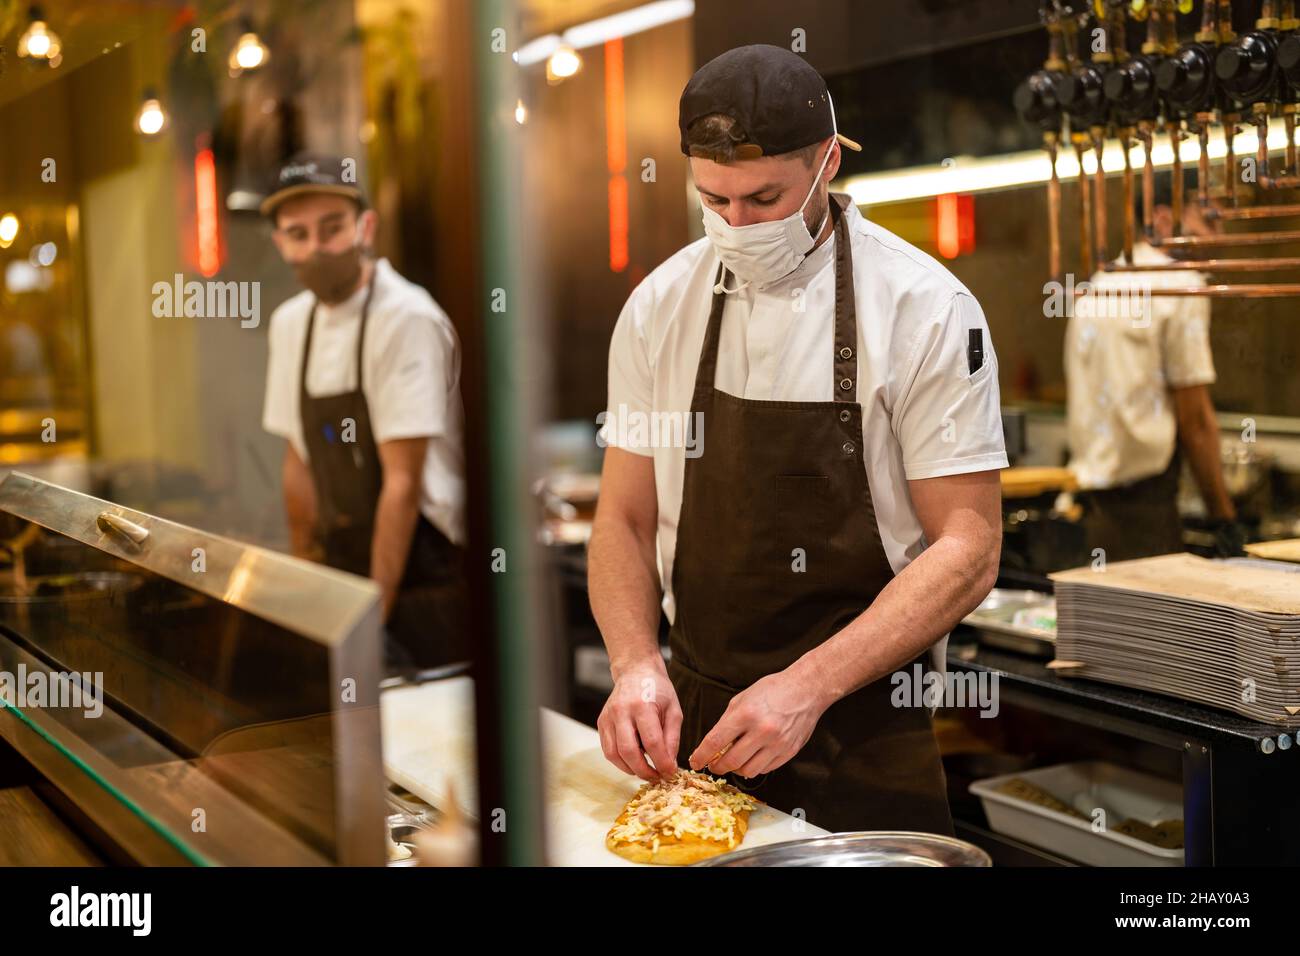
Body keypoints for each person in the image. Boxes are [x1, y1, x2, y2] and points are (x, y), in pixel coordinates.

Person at [588, 46, 1008, 834]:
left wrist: (809, 685)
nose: (738, 225)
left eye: (765, 198)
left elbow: (970, 546)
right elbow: (624, 518)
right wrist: (634, 662)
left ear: (826, 162)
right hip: (698, 725)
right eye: (714, 199)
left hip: (864, 729)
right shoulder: (656, 308)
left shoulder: (926, 309)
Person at [260, 153, 468, 670]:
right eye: (298, 234)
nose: (315, 248)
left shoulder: (406, 319)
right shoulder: (291, 324)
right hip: (344, 572)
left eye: (332, 229)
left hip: (424, 577)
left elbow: (401, 483)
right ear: (280, 242)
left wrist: (368, 626)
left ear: (365, 227)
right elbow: (297, 460)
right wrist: (309, 581)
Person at [1065, 172, 1242, 563]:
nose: (1218, 238)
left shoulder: (1102, 279)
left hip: (1086, 504)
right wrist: (1224, 518)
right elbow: (1195, 421)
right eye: (1208, 222)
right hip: (1143, 510)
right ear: (1163, 221)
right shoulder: (1181, 285)